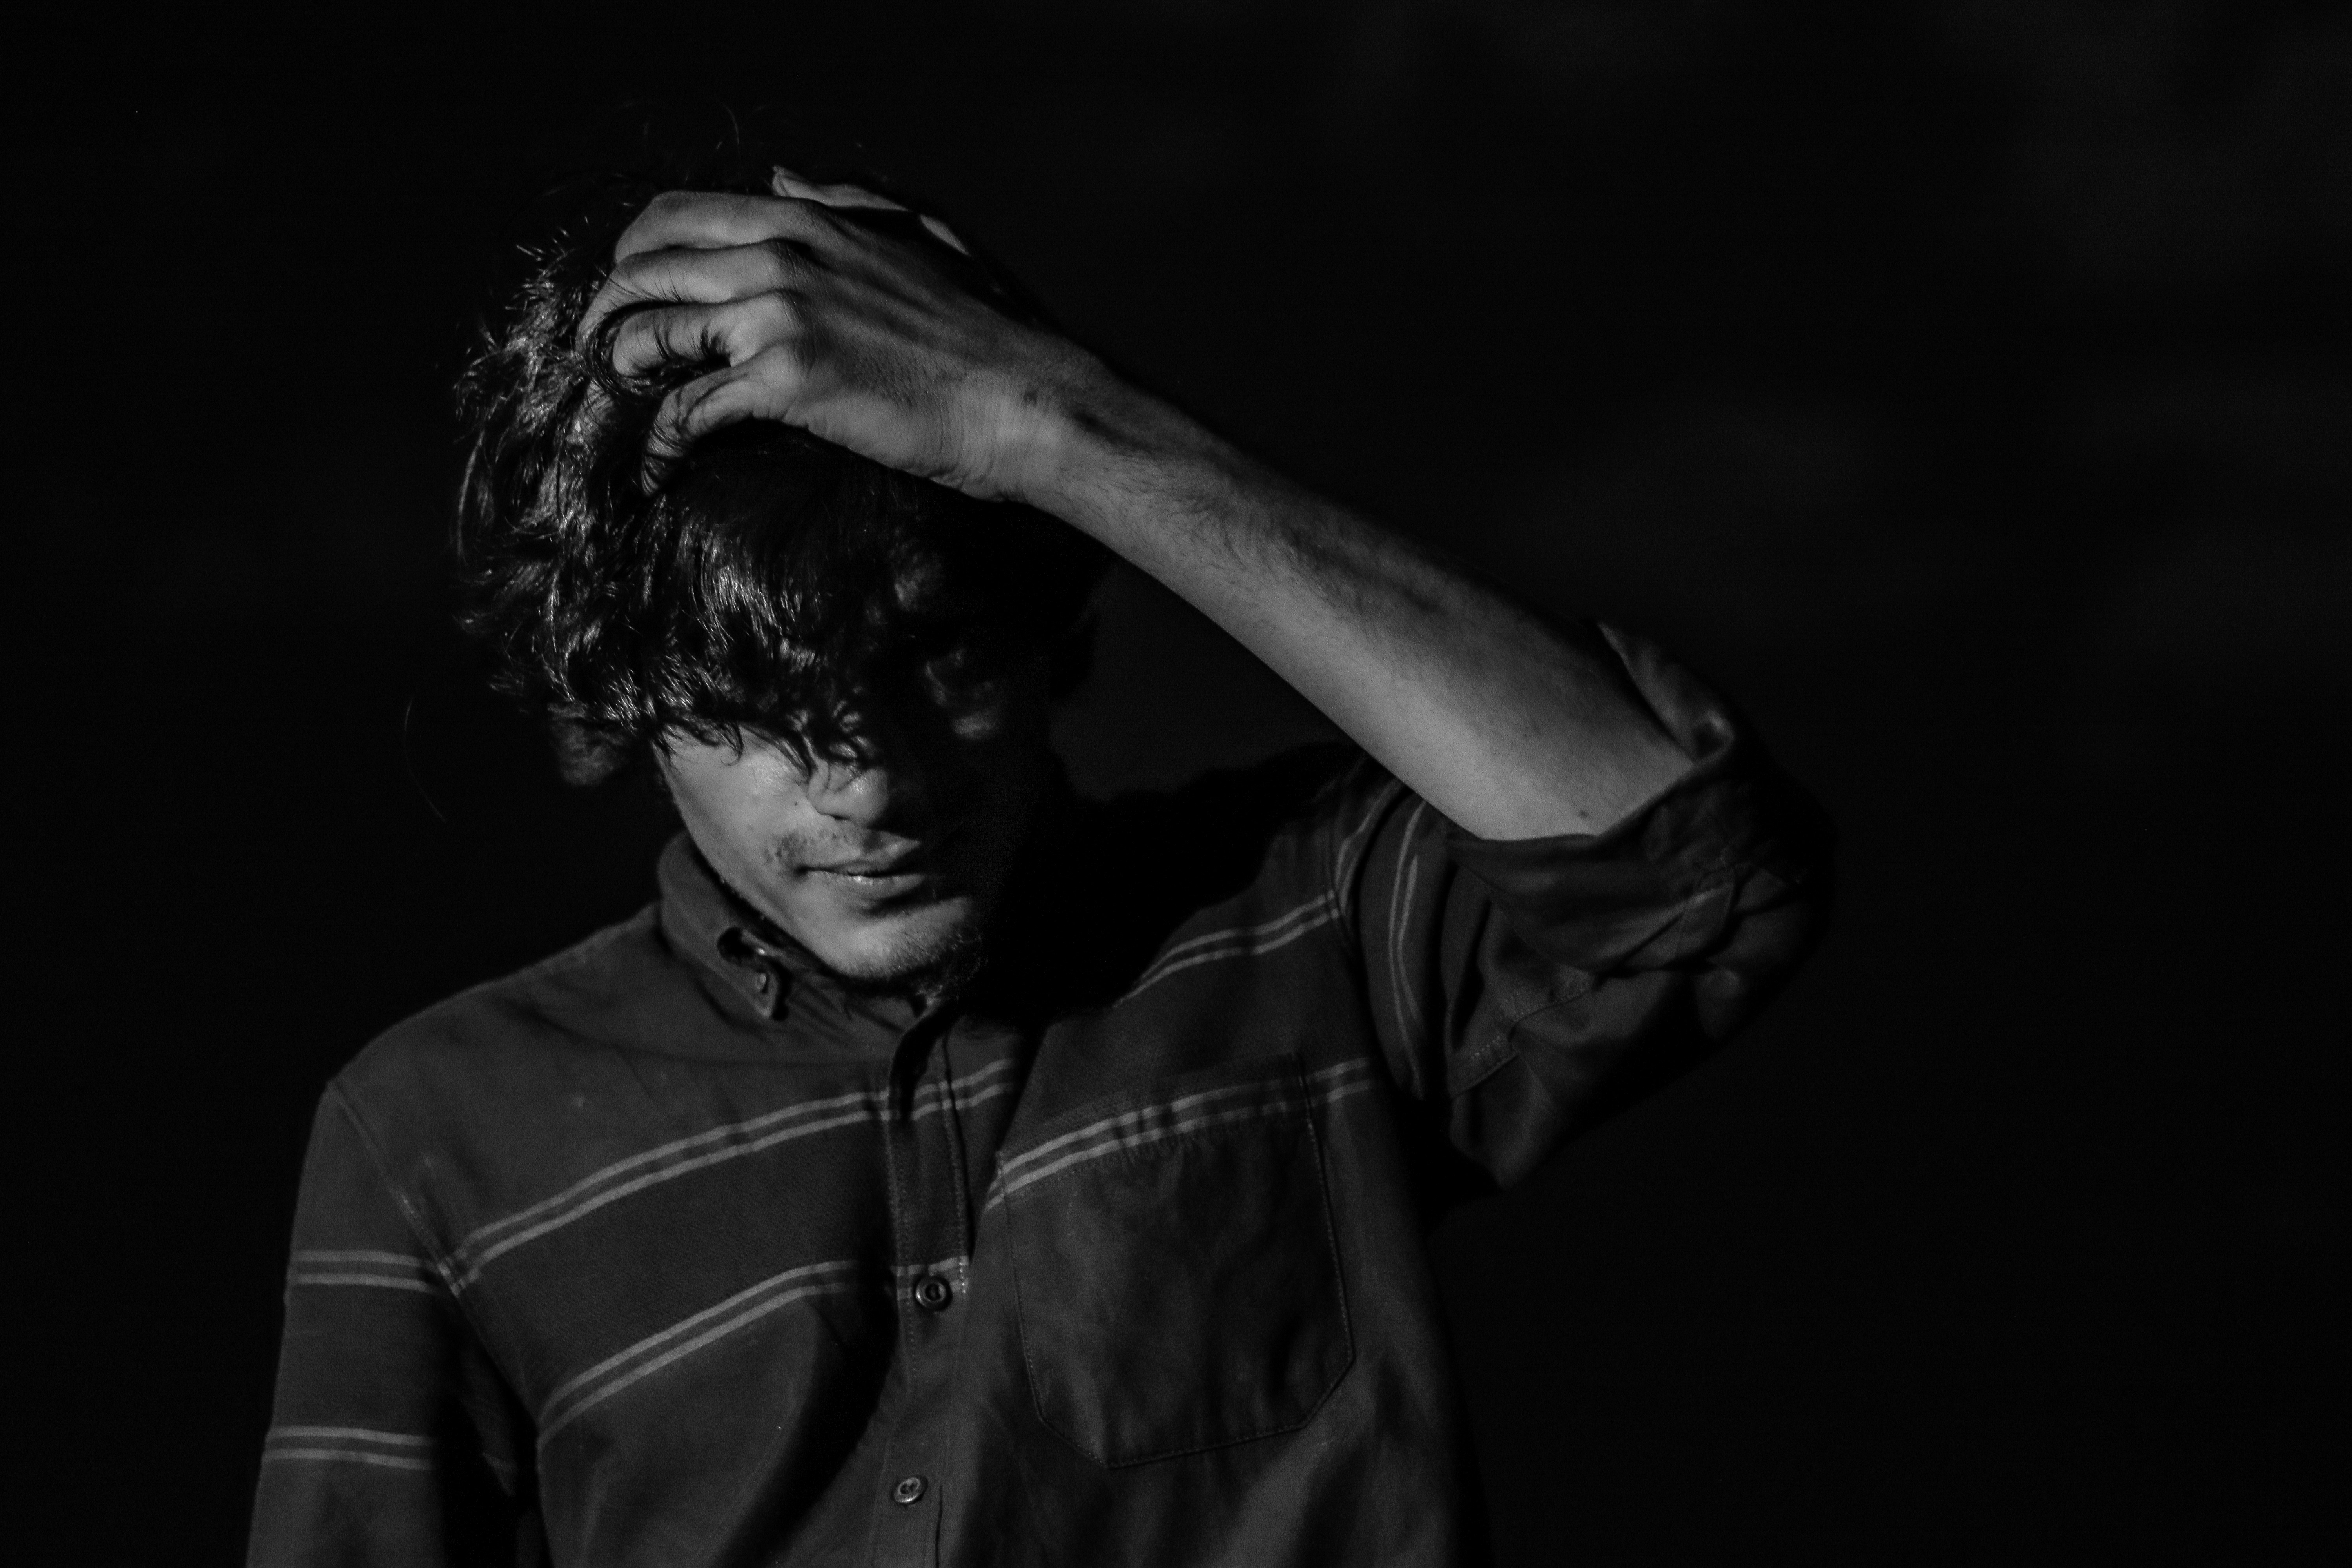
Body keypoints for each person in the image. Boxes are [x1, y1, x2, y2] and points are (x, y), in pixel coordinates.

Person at [248, 162, 1831, 1568]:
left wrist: (1036, 415)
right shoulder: (434, 1136)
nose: (865, 780)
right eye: (750, 706)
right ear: (623, 700)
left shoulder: (1302, 920)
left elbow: (1695, 877)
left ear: (1041, 623)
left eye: (932, 655)